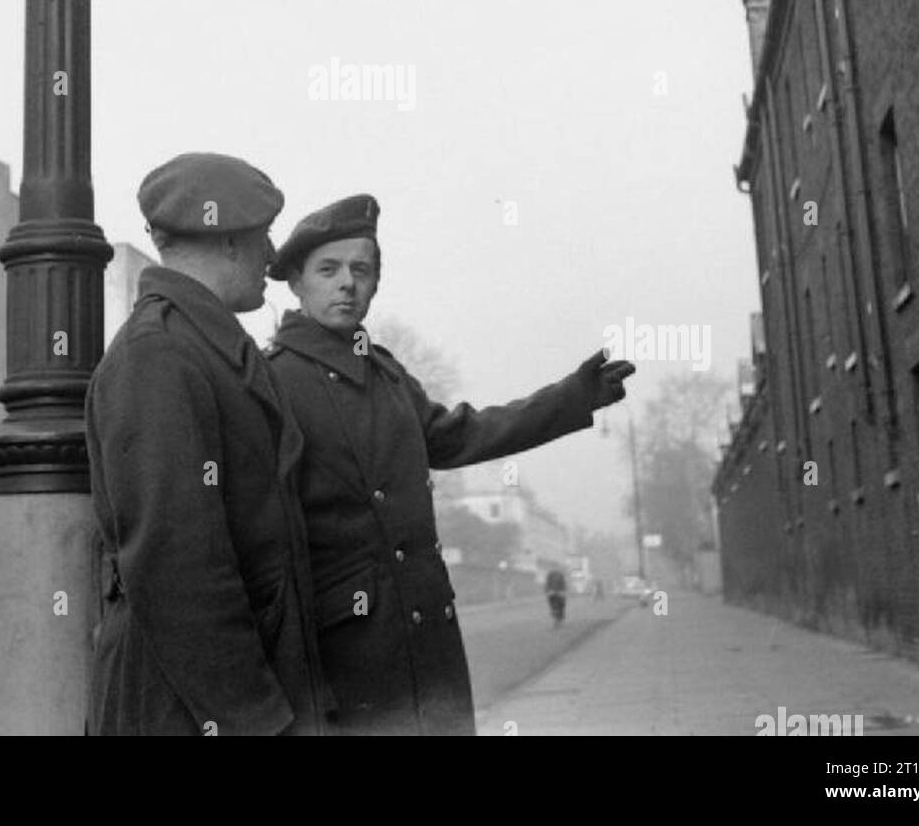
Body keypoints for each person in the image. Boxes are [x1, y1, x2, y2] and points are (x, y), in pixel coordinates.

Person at [264, 194, 634, 736]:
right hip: (350, 658)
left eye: (361, 270)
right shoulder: (274, 382)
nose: (347, 283)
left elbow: (461, 435)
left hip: (430, 643)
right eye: (329, 269)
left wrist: (574, 397)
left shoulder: (387, 376)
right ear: (296, 282)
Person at [85, 152, 334, 736]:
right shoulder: (160, 355)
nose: (272, 257)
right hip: (189, 705)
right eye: (263, 237)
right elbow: (177, 568)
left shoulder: (203, 347)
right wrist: (255, 719)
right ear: (227, 242)